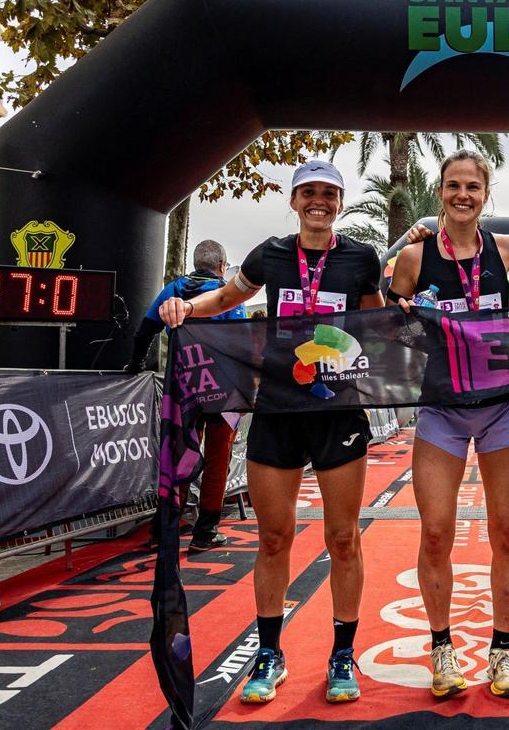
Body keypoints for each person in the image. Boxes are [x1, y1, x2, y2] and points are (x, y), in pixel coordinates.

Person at [158, 161, 384, 705]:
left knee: (344, 538)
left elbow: (377, 325)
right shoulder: (271, 253)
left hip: (338, 412)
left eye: (328, 194)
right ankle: (269, 653)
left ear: (339, 201)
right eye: (308, 192)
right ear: (294, 200)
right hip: (277, 409)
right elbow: (227, 298)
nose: (318, 202)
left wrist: (401, 333)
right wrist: (186, 305)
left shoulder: (360, 258)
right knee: (275, 538)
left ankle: (341, 655)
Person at [387, 150, 509, 699]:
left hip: (502, 405)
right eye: (453, 185)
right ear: (440, 192)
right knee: (435, 532)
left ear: (486, 194)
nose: (463, 195)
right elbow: (385, 315)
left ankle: (502, 652)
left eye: (473, 187)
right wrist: (403, 319)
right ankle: (442, 649)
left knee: (506, 531)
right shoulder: (413, 257)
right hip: (441, 411)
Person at [128, 239, 247, 552]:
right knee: (218, 459)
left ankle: (165, 528)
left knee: (177, 453)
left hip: (183, 387)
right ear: (222, 266)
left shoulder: (172, 290)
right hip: (223, 390)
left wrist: (134, 366)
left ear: (195, 264)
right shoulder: (229, 294)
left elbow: (145, 332)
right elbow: (241, 343)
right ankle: (205, 531)